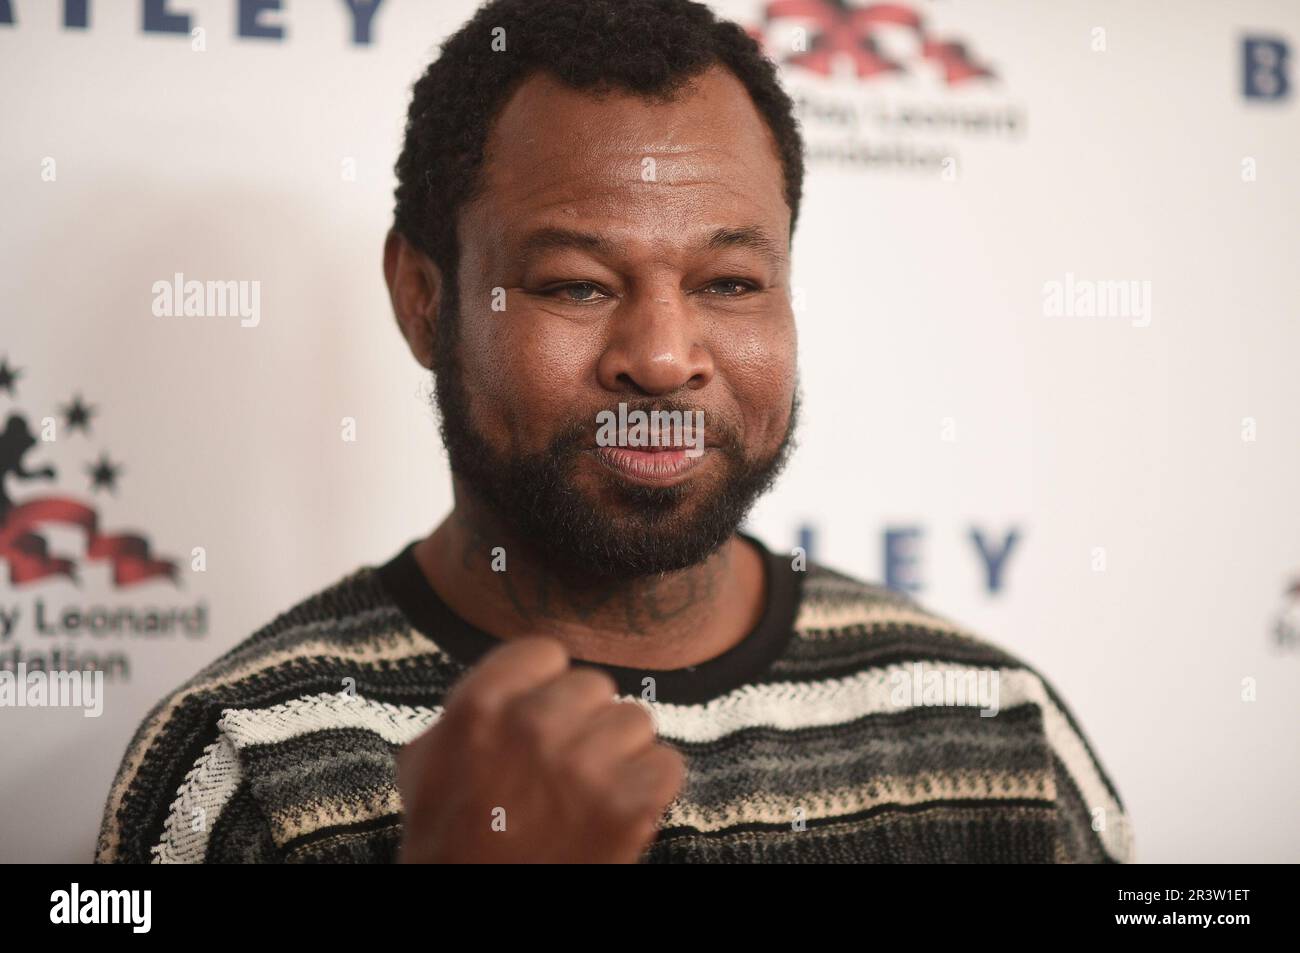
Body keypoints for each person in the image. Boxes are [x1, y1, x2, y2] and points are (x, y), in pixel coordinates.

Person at [95, 0, 1133, 864]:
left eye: (729, 281)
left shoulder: (995, 731)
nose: (664, 354)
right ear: (423, 300)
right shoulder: (246, 767)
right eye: (577, 284)